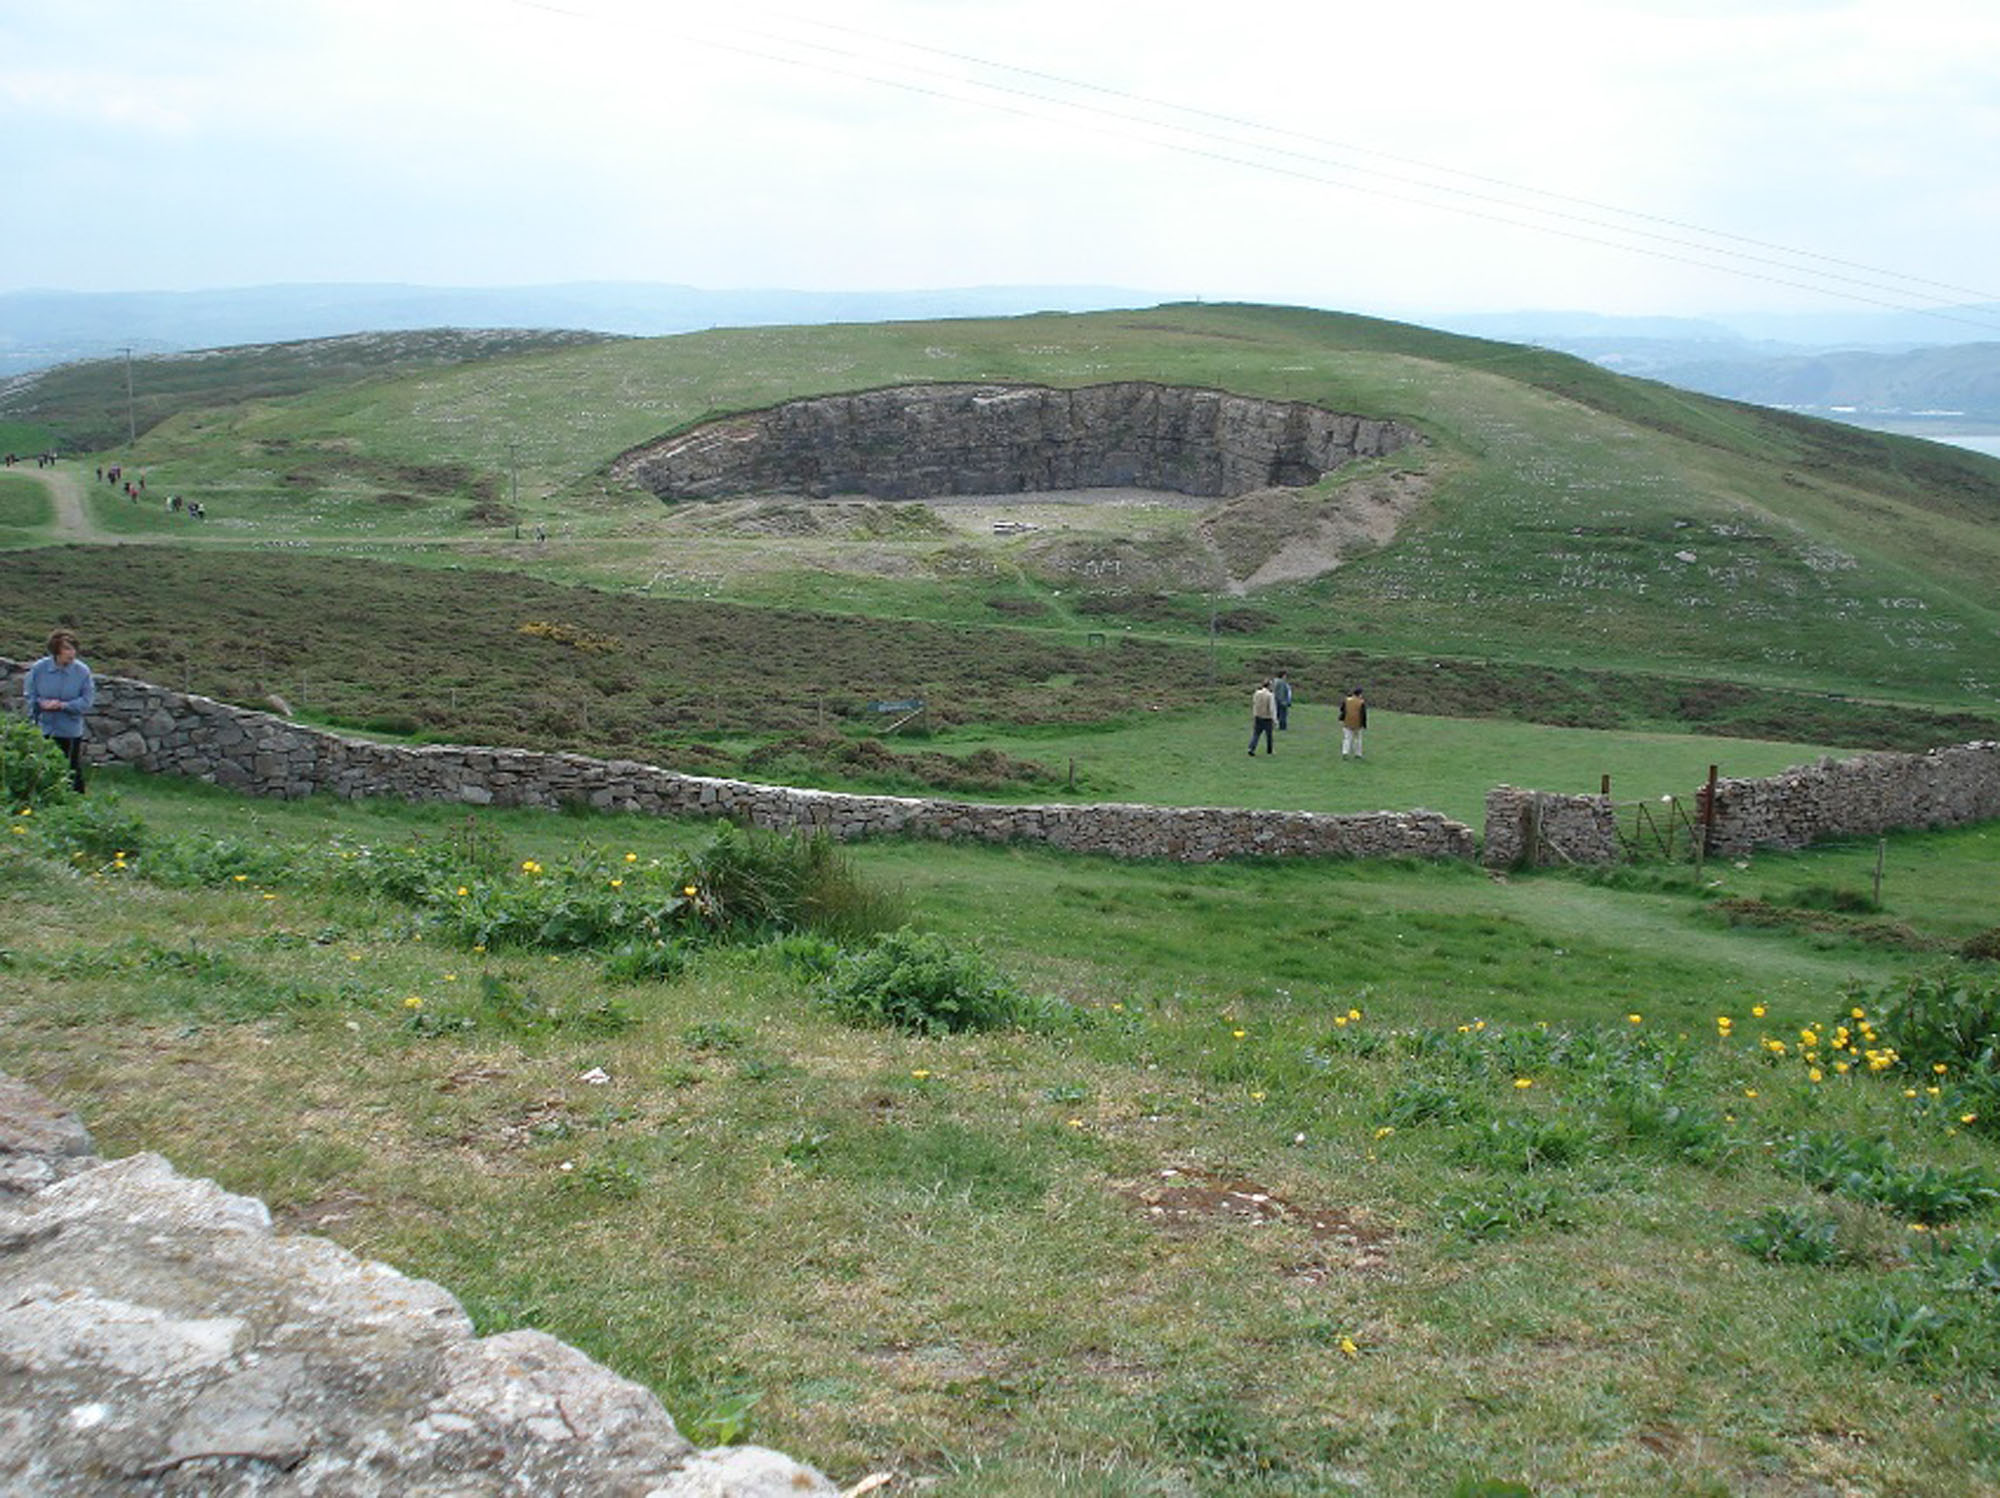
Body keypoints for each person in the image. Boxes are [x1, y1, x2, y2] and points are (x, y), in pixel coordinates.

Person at [24, 628, 95, 793]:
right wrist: (41, 704)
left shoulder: (82, 672)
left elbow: (86, 701)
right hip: (43, 729)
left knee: (71, 770)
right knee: (41, 768)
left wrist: (64, 706)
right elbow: (30, 694)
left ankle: (75, 802)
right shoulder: (39, 669)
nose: (71, 653)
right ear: (56, 650)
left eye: (73, 648)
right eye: (67, 649)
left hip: (69, 731)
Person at [1249, 679, 1276, 756]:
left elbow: (1255, 704)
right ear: (1269, 686)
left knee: (1256, 734)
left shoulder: (1257, 693)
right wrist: (1274, 719)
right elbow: (1272, 708)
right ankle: (1269, 750)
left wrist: (1254, 714)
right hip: (1267, 717)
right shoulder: (1270, 695)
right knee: (1269, 735)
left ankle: (1251, 748)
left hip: (1258, 716)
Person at [1339, 687, 1368, 760]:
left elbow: (1342, 709)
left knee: (1347, 738)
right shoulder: (1361, 702)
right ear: (1360, 694)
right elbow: (1363, 714)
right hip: (1358, 723)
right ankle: (1358, 754)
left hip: (1347, 722)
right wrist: (1364, 724)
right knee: (1357, 739)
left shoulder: (1347, 700)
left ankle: (1345, 752)